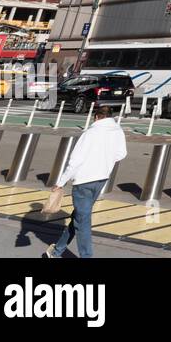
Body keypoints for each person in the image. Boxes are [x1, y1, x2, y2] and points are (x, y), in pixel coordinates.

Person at [43, 105, 127, 258]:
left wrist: (61, 182)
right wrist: (105, 162)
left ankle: (86, 256)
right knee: (80, 217)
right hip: (101, 180)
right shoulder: (118, 131)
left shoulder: (90, 133)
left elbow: (75, 161)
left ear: (96, 117)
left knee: (82, 222)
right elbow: (121, 154)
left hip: (84, 181)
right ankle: (56, 251)